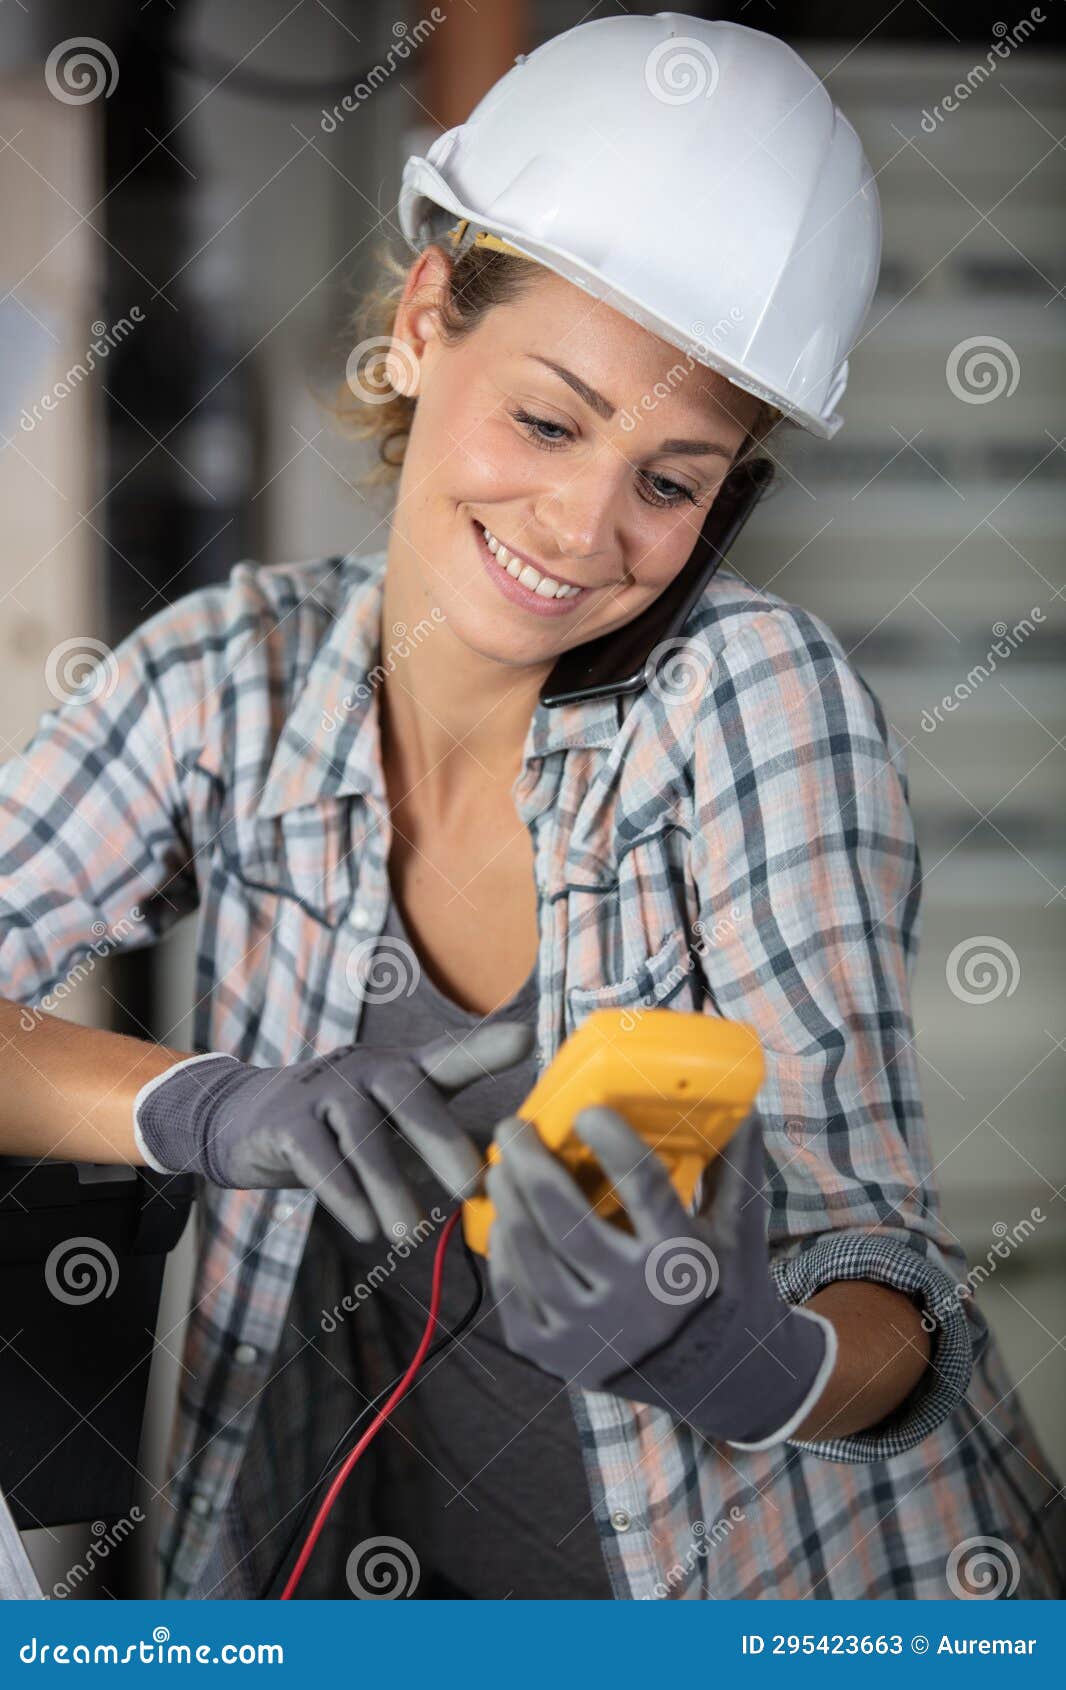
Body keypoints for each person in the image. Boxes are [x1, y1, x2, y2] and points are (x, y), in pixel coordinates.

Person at [0, 14, 1062, 1602]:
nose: (581, 525)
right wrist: (211, 1106)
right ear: (426, 319)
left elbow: (889, 1290)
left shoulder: (748, 705)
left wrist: (755, 1359)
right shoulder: (227, 680)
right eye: (550, 419)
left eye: (672, 476)